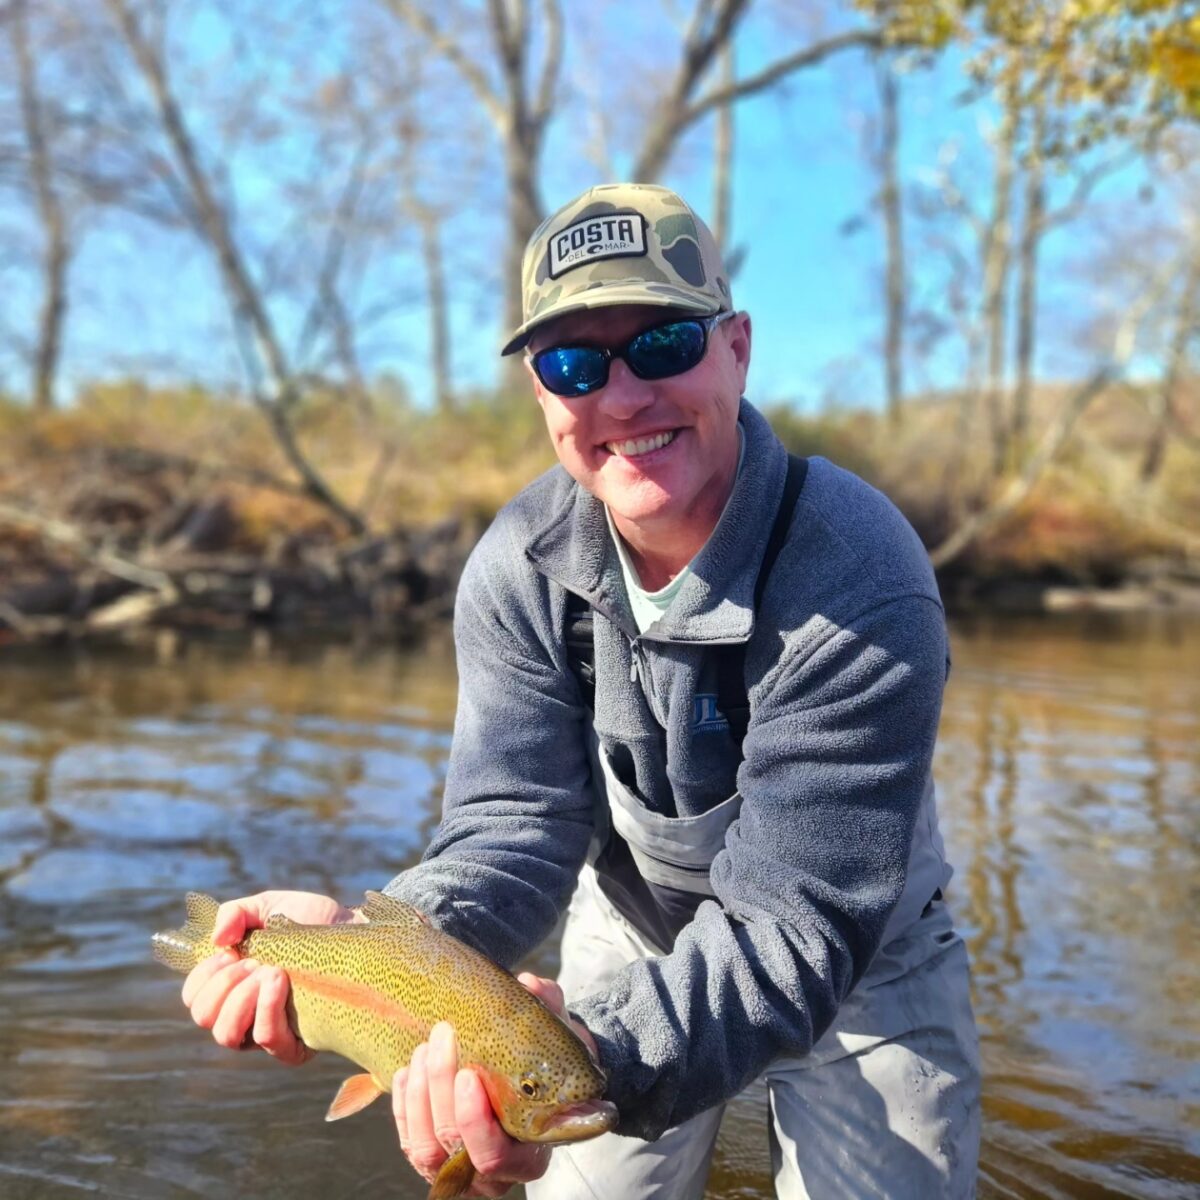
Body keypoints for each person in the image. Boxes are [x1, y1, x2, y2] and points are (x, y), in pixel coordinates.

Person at [180, 183, 981, 1198]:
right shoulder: (519, 564)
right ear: (541, 395)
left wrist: (589, 1057)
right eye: (572, 364)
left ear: (737, 348)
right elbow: (512, 824)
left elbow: (796, 920)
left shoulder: (860, 572)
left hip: (862, 951)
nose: (624, 397)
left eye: (661, 346)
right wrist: (354, 951)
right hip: (631, 940)